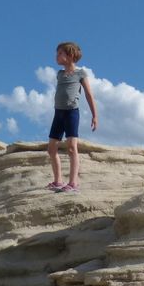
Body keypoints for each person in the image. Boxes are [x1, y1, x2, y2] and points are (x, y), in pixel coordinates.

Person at [47, 41, 98, 193]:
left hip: (71, 113)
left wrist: (95, 116)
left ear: (70, 56)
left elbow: (89, 95)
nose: (57, 56)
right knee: (51, 148)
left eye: (60, 53)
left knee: (71, 147)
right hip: (58, 113)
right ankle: (58, 181)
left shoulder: (80, 73)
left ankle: (73, 183)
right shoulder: (60, 74)